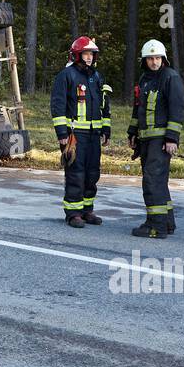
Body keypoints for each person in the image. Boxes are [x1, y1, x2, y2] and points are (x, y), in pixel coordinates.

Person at [127, 39, 184, 239]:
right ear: (144, 60)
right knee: (158, 181)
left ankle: (155, 226)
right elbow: (139, 109)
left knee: (152, 181)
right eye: (150, 58)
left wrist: (172, 138)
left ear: (164, 59)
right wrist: (132, 132)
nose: (154, 61)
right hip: (146, 140)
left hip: (161, 140)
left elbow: (178, 109)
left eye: (157, 58)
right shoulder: (145, 79)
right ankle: (167, 222)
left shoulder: (170, 77)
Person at [50, 36, 111, 227]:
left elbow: (104, 106)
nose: (89, 57)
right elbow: (58, 105)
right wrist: (62, 133)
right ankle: (73, 213)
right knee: (76, 173)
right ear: (77, 55)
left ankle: (87, 211)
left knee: (92, 173)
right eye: (86, 53)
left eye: (91, 54)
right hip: (75, 136)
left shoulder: (96, 77)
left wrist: (106, 129)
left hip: (94, 135)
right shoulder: (66, 75)